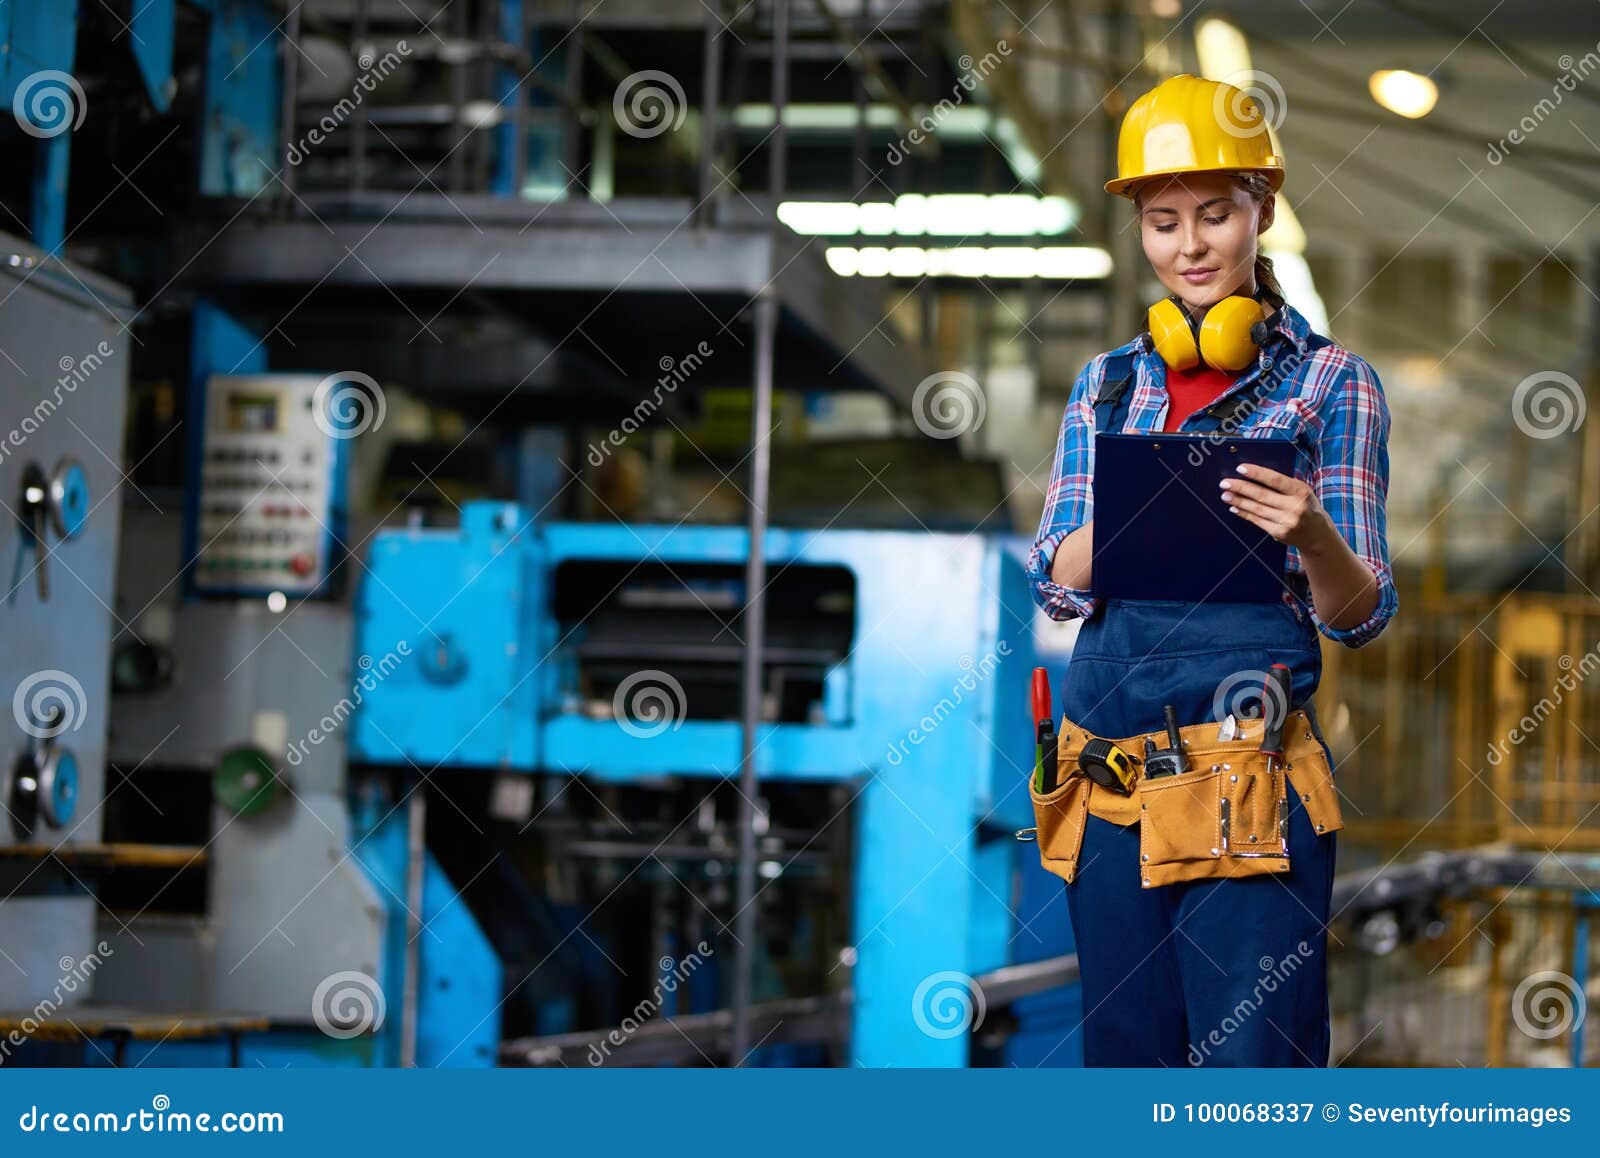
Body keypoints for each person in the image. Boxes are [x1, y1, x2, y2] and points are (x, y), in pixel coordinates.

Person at [1025, 74, 1397, 1067]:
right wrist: (1144, 515)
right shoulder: (1105, 384)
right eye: (1162, 222)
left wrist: (1312, 534)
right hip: (1106, 786)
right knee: (1123, 1063)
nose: (1188, 247)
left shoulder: (1331, 383)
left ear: (1262, 211)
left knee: (1250, 1075)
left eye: (1215, 215)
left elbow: (1361, 614)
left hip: (1248, 788)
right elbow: (1056, 579)